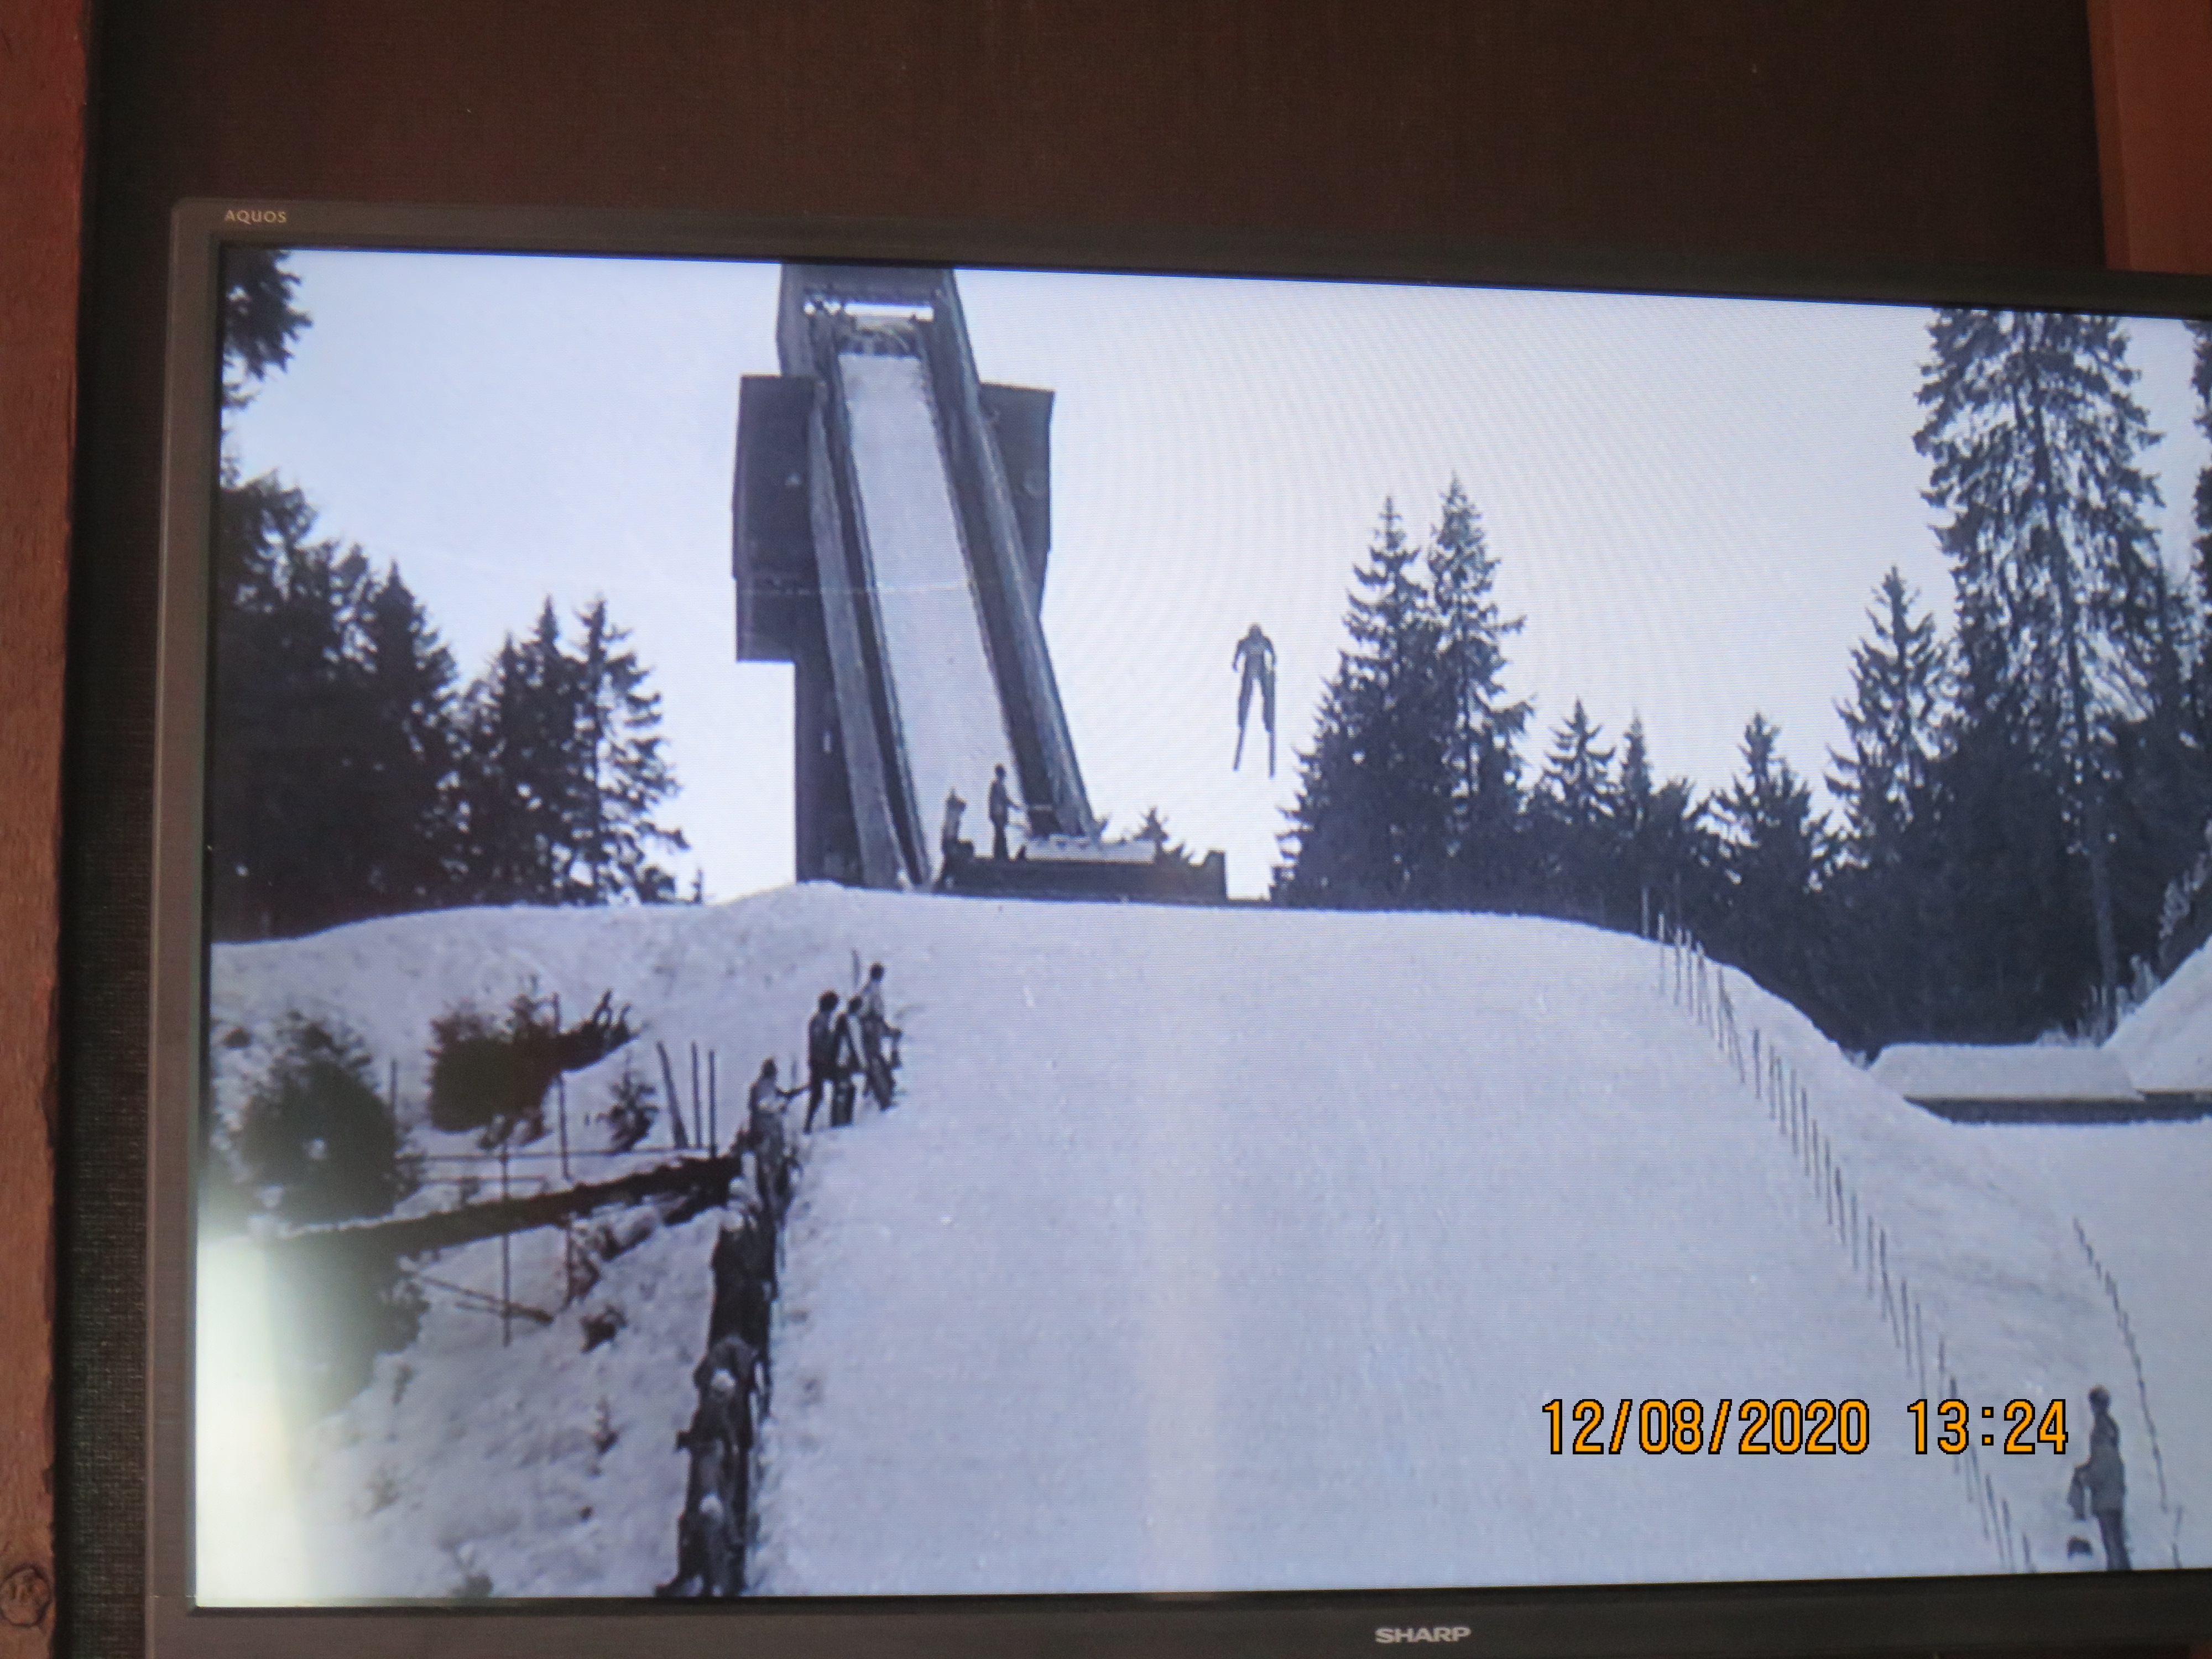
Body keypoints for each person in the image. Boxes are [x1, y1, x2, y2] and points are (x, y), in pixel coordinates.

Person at [2071, 1384, 2130, 1570]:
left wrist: (2085, 1477)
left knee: (2113, 1543)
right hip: (2113, 1491)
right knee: (2116, 1542)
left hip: (2107, 1495)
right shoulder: (2109, 1426)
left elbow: (2103, 1463)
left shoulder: (2102, 1429)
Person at [1232, 623, 1278, 776]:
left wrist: (1273, 661)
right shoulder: (1245, 642)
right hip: (1250, 667)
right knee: (1245, 694)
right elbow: (1238, 653)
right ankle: (1243, 717)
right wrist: (1235, 662)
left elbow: (1272, 652)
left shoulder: (1265, 641)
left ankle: (1268, 719)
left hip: (1261, 667)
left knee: (1267, 695)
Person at [856, 962, 899, 1110]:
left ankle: (877, 1088)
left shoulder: (873, 988)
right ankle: (883, 1091)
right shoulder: (870, 990)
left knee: (876, 1058)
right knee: (875, 1059)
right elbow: (867, 1010)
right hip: (872, 1027)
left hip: (875, 1025)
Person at [802, 990, 841, 1132]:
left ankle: (810, 1123)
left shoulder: (822, 1019)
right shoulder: (821, 1020)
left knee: (818, 1093)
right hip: (820, 1061)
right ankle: (810, 1124)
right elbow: (821, 1041)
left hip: (819, 1061)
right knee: (818, 1093)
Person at [828, 996, 863, 1128]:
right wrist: (862, 1063)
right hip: (844, 1060)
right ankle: (843, 1119)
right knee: (846, 1089)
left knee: (839, 1089)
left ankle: (837, 1119)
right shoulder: (853, 1022)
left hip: (836, 1060)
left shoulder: (840, 1019)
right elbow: (857, 1044)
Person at [987, 763, 1018, 860]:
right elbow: (997, 801)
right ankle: (1000, 855)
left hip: (1000, 814)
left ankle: (1000, 854)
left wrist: (1013, 805)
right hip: (998, 814)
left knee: (1000, 834)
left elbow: (1004, 800)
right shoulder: (996, 786)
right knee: (1000, 835)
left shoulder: (999, 786)